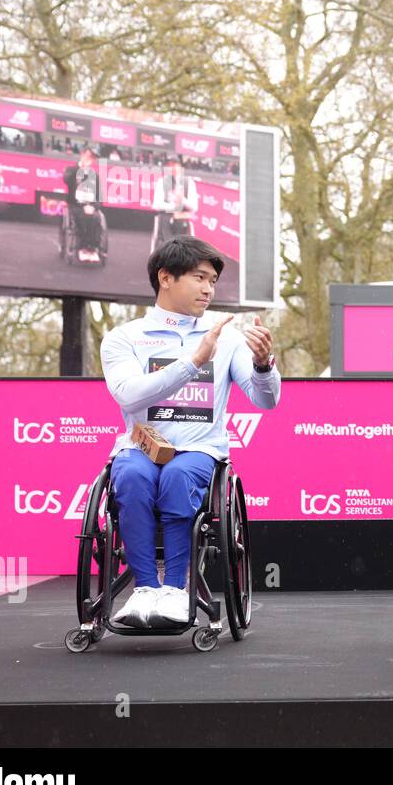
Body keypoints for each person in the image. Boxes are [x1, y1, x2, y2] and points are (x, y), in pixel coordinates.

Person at [100, 236, 281, 628]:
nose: (208, 289)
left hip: (200, 453)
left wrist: (265, 364)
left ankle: (175, 589)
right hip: (141, 449)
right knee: (129, 475)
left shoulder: (229, 339)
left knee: (180, 476)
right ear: (165, 278)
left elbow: (265, 401)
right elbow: (129, 395)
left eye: (212, 281)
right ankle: (146, 589)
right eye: (199, 277)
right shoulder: (123, 338)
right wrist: (192, 362)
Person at [62, 146, 105, 262]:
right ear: (82, 155)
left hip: (90, 206)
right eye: (88, 156)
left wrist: (93, 206)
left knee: (96, 218)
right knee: (83, 217)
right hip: (75, 206)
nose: (90, 159)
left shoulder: (95, 176)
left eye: (93, 158)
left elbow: (99, 197)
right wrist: (80, 166)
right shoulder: (71, 170)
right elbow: (66, 179)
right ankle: (83, 248)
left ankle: (92, 248)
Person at [150, 155, 200, 251]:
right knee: (168, 245)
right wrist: (173, 207)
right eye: (169, 165)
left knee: (183, 244)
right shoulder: (161, 182)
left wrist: (182, 200)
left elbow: (194, 207)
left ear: (181, 167)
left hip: (182, 219)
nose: (172, 167)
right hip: (165, 217)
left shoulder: (189, 183)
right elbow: (156, 204)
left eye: (175, 164)